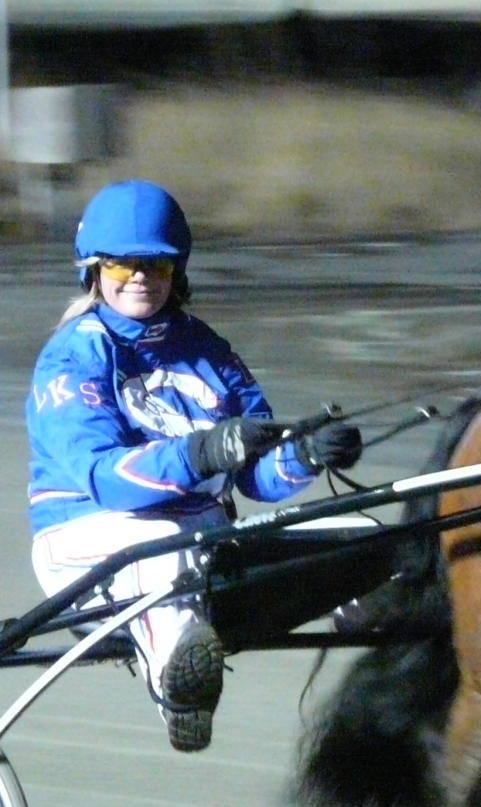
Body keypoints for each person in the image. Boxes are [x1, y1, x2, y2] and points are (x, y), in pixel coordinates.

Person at [25, 179, 362, 752]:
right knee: (162, 546)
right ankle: (180, 692)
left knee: (368, 533)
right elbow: (103, 478)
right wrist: (199, 453)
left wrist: (303, 456)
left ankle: (394, 680)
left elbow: (255, 475)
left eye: (155, 265)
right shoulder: (74, 354)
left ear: (176, 272)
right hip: (86, 545)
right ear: (94, 271)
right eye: (122, 264)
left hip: (202, 544)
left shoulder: (207, 350)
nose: (139, 277)